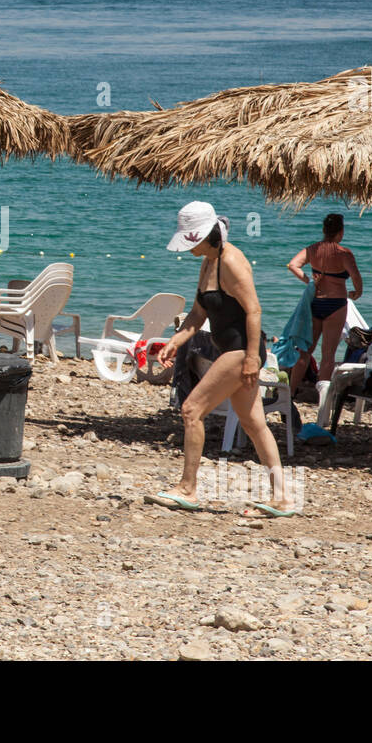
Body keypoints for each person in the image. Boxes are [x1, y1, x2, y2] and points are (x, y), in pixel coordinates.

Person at [153, 201, 295, 516]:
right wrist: (175, 341)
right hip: (232, 351)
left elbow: (254, 310)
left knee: (191, 410)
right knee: (254, 422)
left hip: (242, 351)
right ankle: (283, 498)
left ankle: (188, 489)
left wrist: (251, 361)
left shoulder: (232, 262)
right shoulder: (208, 261)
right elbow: (198, 312)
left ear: (207, 235)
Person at [286, 213, 363, 385]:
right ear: (340, 232)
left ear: (323, 230)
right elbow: (356, 278)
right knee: (328, 356)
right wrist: (356, 293)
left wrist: (309, 281)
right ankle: (323, 399)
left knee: (305, 351)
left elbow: (293, 265)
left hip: (315, 302)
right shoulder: (345, 254)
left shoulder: (312, 249)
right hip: (336, 305)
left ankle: (290, 393)